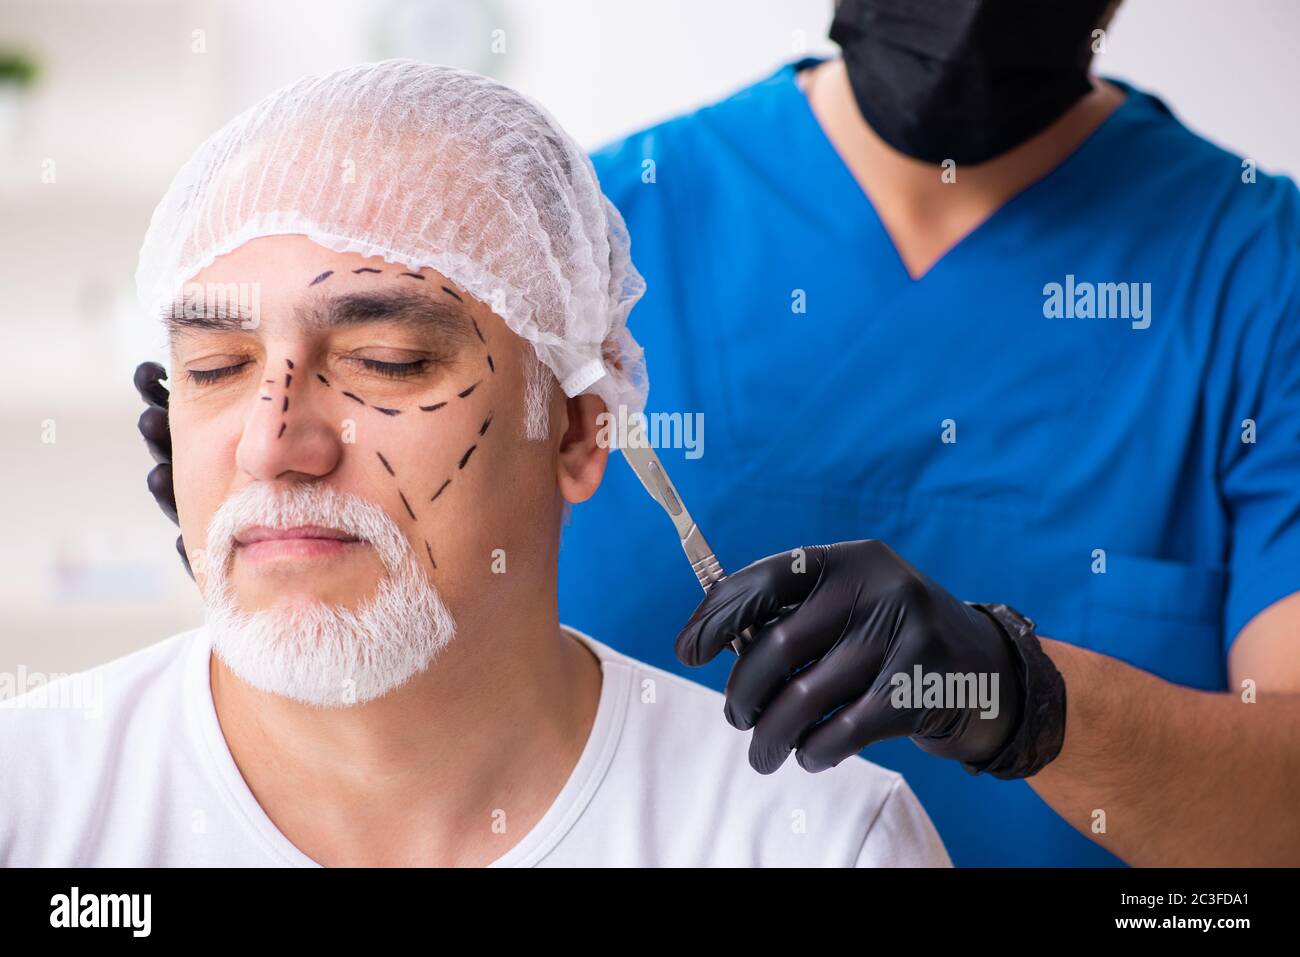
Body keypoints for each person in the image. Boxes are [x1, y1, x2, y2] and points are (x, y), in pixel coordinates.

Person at [135, 4, 1300, 866]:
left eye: (388, 362)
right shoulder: (576, 246)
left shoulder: (1256, 274)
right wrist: (292, 542)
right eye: (217, 367)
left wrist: (1022, 696)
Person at [3, 60, 950, 867]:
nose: (269, 441)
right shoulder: (33, 805)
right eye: (216, 369)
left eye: (388, 364)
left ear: (580, 433)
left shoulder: (807, 843)